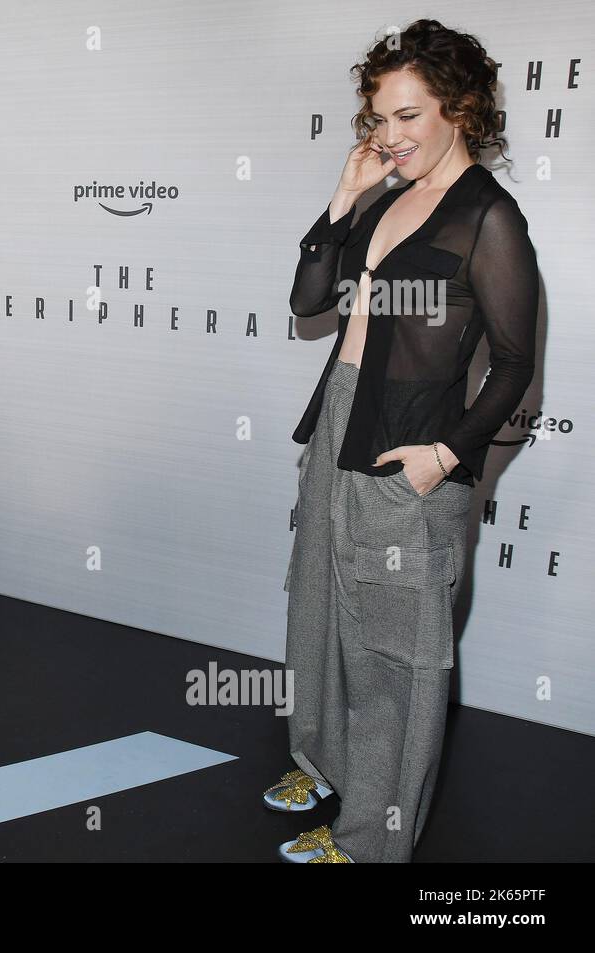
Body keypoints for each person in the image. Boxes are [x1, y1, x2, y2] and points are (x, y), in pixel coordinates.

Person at [270, 19, 539, 862]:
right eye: (378, 120)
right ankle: (318, 762)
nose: (391, 137)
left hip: (411, 447)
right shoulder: (386, 197)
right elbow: (309, 301)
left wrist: (448, 454)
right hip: (341, 419)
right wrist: (341, 202)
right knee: (318, 609)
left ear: (460, 109)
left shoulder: (487, 217)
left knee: (395, 652)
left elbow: (513, 363)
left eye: (410, 116)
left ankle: (370, 838)